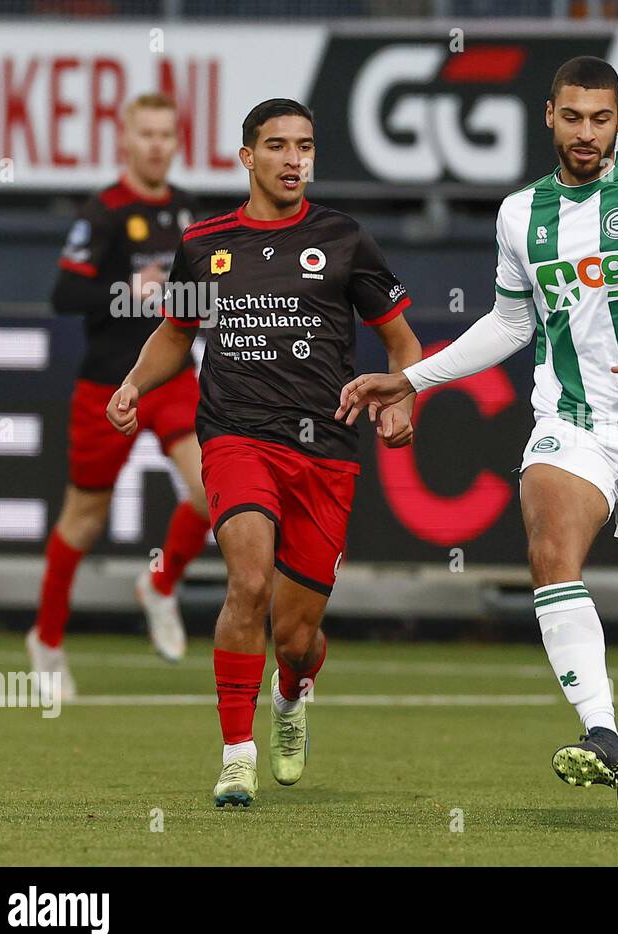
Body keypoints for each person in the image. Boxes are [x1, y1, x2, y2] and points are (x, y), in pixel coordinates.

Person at [336, 56, 618, 821]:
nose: (585, 132)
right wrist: (414, 379)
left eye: (599, 119)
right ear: (549, 116)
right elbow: (512, 323)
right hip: (570, 421)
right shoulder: (519, 216)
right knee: (549, 543)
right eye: (571, 117)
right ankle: (601, 732)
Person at [106, 98, 422, 807]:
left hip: (327, 448)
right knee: (248, 584)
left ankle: (291, 696)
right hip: (235, 434)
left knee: (296, 634)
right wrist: (133, 382)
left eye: (304, 146)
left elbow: (402, 341)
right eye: (276, 146)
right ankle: (235, 754)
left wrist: (404, 396)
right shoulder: (205, 241)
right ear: (246, 157)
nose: (292, 159)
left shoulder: (344, 239)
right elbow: (175, 333)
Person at [30, 92, 207, 700]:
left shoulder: (187, 211)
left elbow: (195, 298)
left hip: (172, 378)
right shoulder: (103, 213)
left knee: (213, 495)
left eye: (166, 134)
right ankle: (47, 641)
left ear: (175, 142)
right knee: (84, 520)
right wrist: (123, 287)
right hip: (109, 384)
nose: (157, 144)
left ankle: (159, 585)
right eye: (147, 134)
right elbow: (62, 297)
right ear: (125, 142)